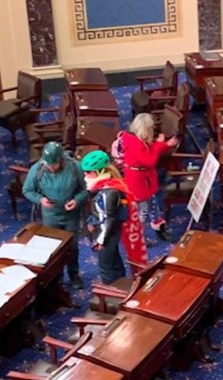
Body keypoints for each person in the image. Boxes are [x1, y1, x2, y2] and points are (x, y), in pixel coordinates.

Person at [21, 142, 88, 289]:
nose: (50, 168)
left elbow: (87, 188)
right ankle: (56, 277)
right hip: (50, 215)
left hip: (71, 214)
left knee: (72, 246)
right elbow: (27, 190)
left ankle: (74, 275)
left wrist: (77, 200)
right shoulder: (37, 169)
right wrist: (40, 199)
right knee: (52, 248)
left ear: (61, 160)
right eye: (48, 165)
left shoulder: (74, 167)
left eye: (54, 164)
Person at [80, 151, 147, 284]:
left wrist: (101, 241)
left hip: (107, 234)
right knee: (114, 260)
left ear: (99, 172)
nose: (85, 175)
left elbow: (109, 219)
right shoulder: (102, 185)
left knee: (106, 267)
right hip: (106, 231)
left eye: (88, 172)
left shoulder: (109, 192)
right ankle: (120, 282)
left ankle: (112, 293)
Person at [118, 113, 177, 242]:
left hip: (144, 179)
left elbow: (149, 150)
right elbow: (149, 160)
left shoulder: (134, 139)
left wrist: (165, 145)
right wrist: (160, 144)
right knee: (143, 212)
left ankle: (158, 227)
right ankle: (137, 237)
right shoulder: (135, 144)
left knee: (153, 206)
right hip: (139, 182)